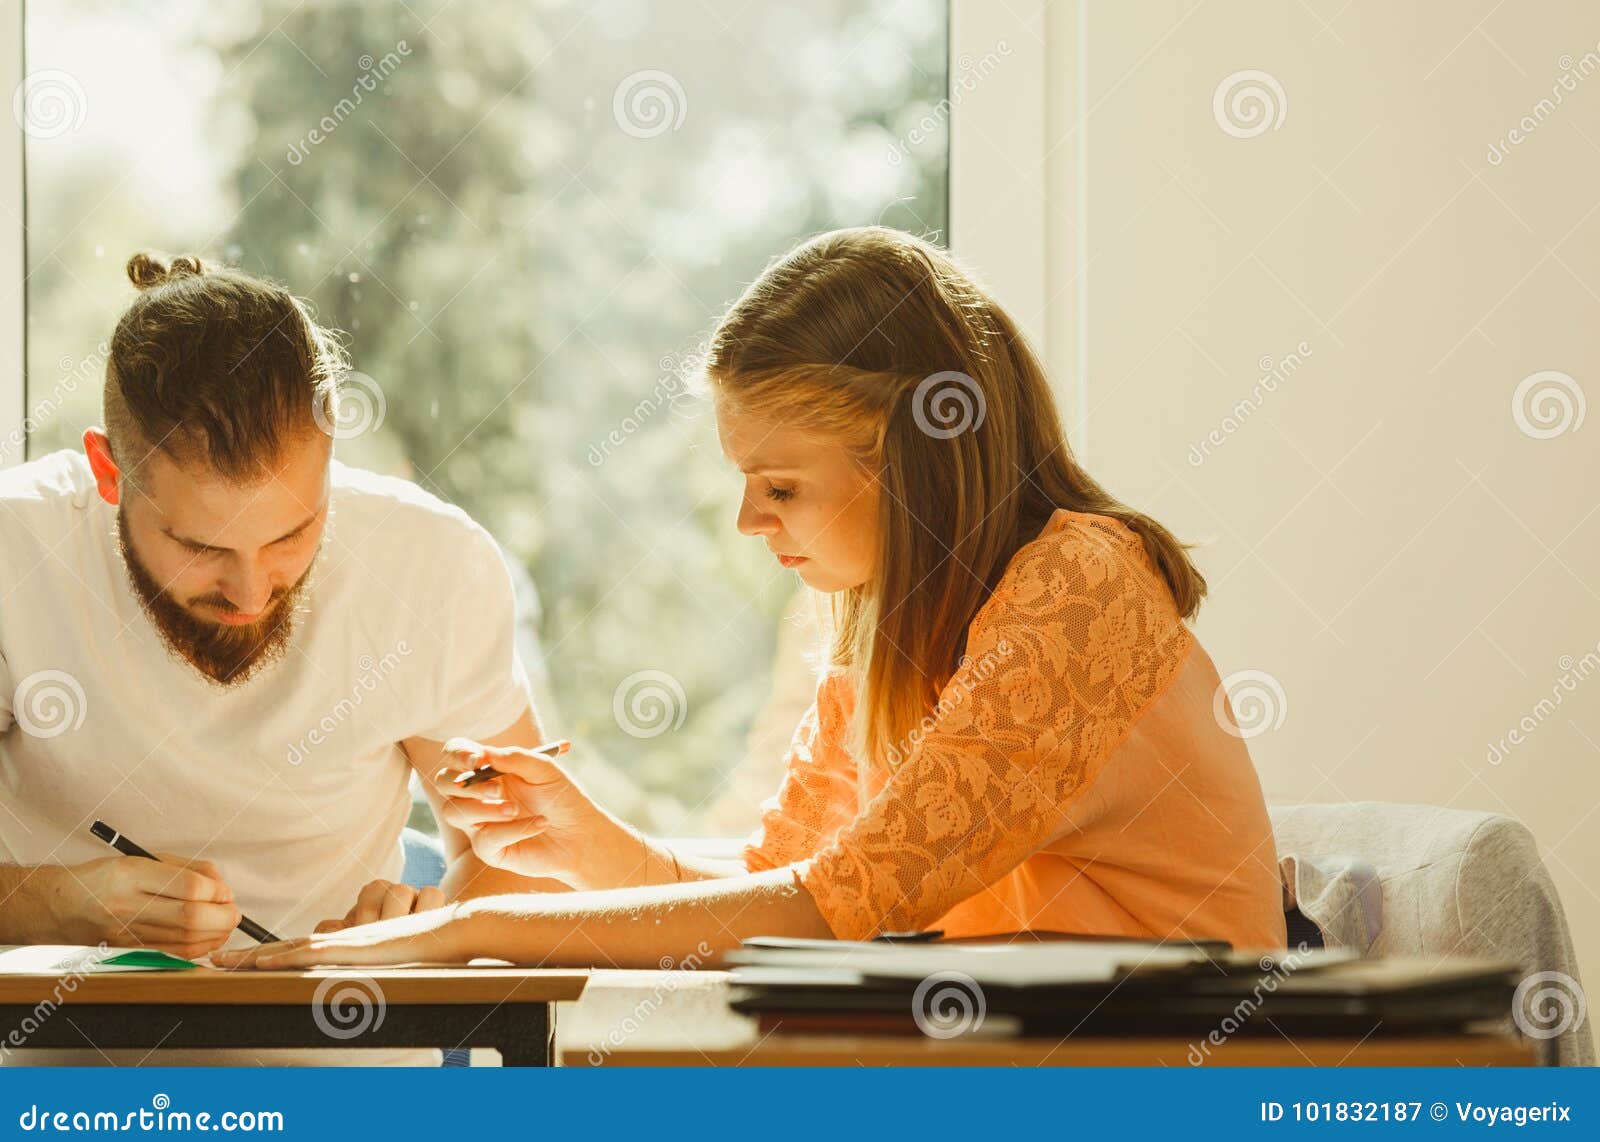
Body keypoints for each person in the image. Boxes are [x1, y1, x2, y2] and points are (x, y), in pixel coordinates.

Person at [216, 226, 1288, 972]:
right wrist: (589, 844)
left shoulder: (1082, 588)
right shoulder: (874, 620)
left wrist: (471, 927)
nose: (748, 523)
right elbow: (786, 885)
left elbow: (830, 906)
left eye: (780, 486)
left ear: (917, 458)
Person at [0, 253, 557, 992]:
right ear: (109, 473)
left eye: (293, 533)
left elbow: (530, 865)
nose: (252, 591)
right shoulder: (17, 550)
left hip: (346, 1064)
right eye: (200, 546)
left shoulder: (433, 566)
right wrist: (61, 905)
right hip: (61, 1074)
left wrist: (435, 924)